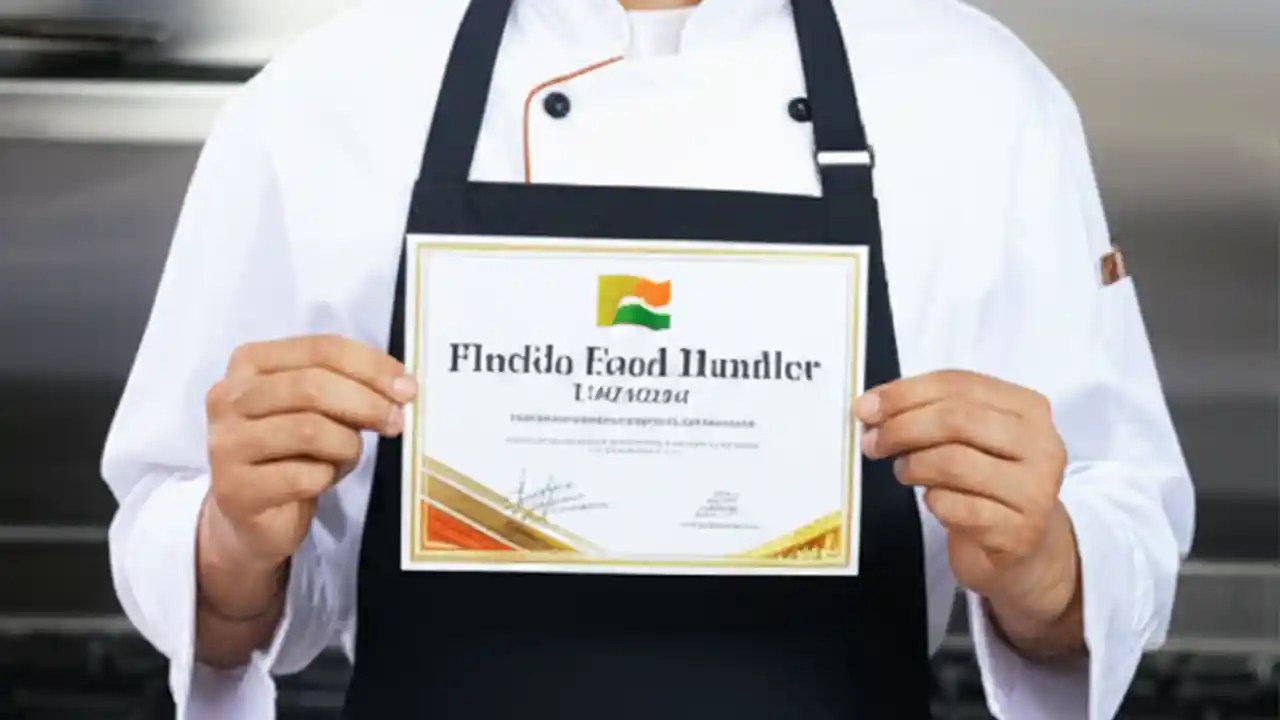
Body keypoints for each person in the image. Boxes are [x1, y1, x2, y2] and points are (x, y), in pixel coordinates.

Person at [101, 0, 1195, 717]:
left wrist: (1044, 566)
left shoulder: (977, 95)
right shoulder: (328, 94)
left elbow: (1120, 514)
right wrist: (236, 539)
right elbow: (181, 532)